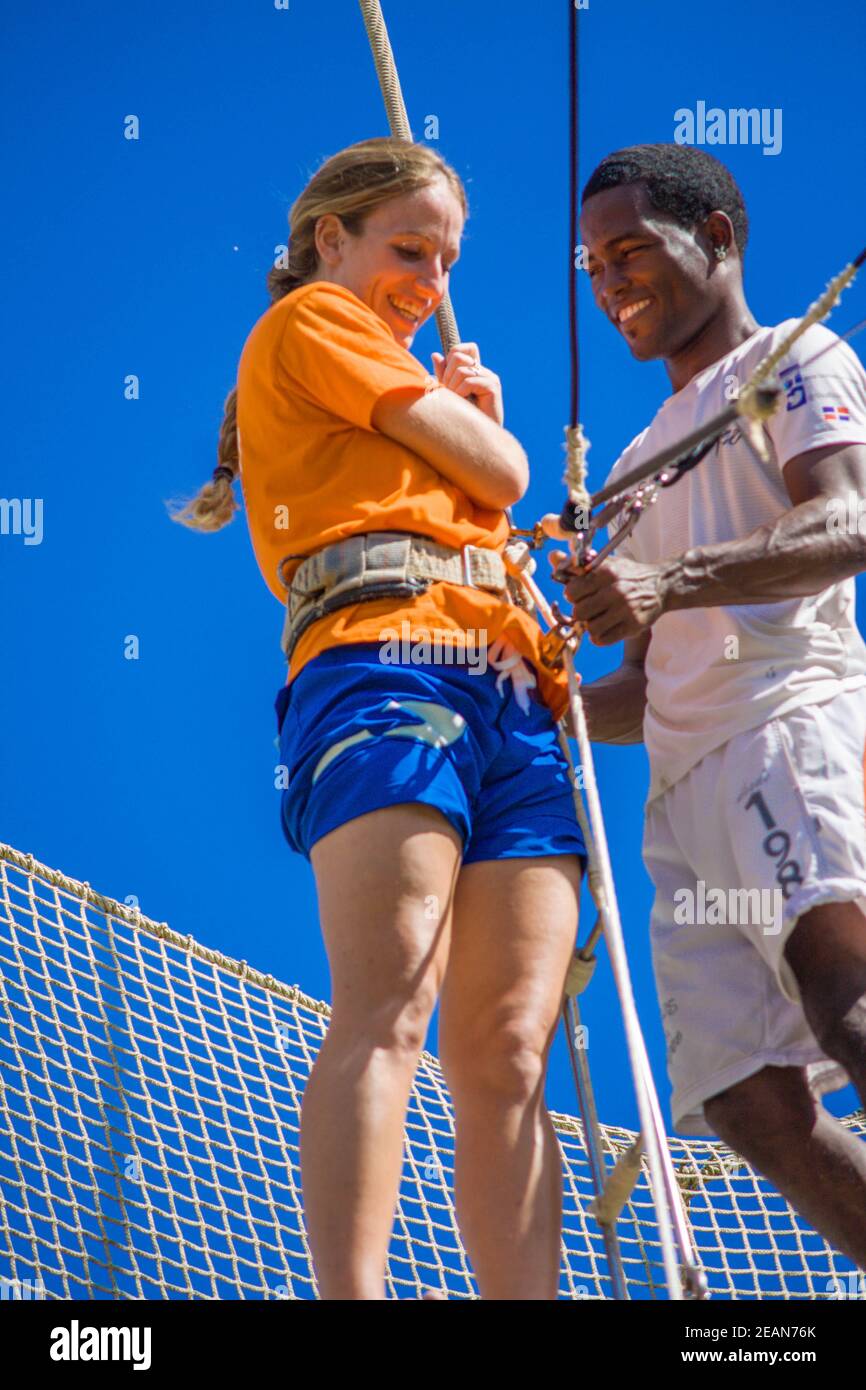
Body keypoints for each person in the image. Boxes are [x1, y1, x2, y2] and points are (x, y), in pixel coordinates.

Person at [169, 137, 587, 1300]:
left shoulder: (407, 397)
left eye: (445, 261)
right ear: (327, 242)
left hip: (510, 696)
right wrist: (485, 431)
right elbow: (504, 476)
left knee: (507, 1047)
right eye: (408, 248)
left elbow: (489, 500)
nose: (427, 279)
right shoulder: (314, 324)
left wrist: (473, 439)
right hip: (381, 663)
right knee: (392, 992)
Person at [556, 142, 866, 1268]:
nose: (608, 281)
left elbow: (846, 520)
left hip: (785, 724)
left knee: (848, 1000)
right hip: (682, 793)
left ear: (719, 240)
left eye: (630, 248)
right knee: (741, 1096)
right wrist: (537, 701)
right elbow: (641, 684)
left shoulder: (794, 354)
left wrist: (666, 580)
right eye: (591, 263)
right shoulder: (632, 461)